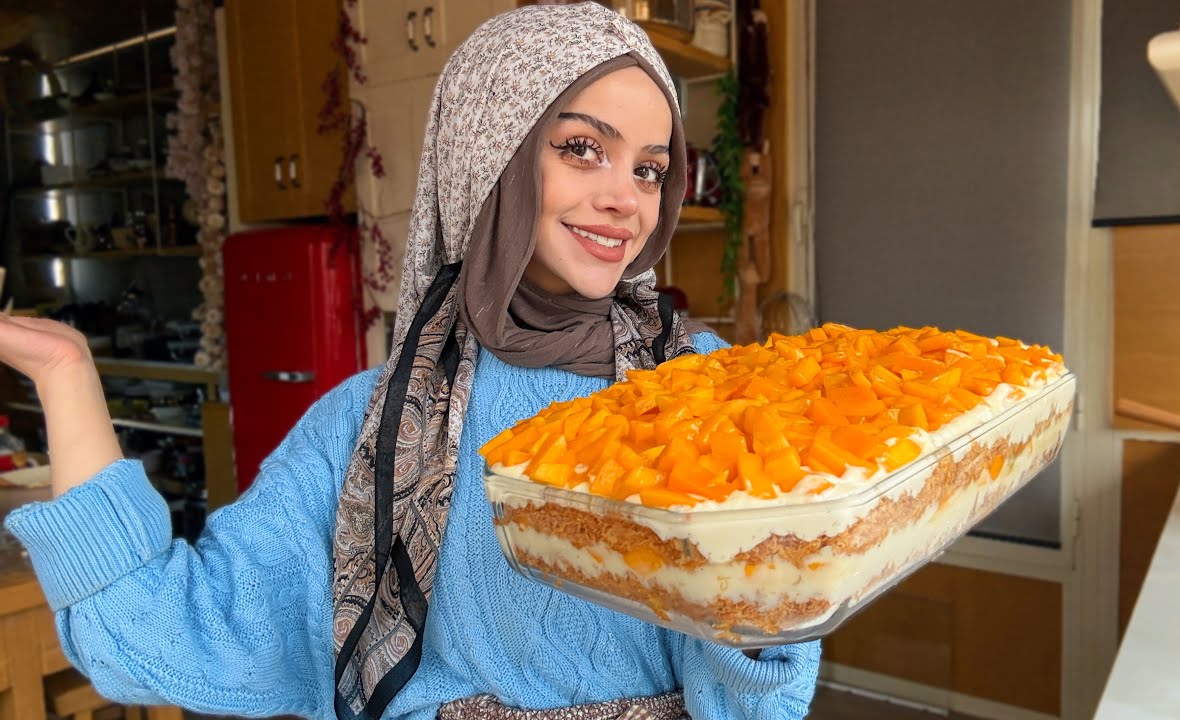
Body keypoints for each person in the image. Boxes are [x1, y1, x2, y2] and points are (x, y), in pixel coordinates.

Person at [0, 5, 820, 719]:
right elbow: (149, 635)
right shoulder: (368, 429)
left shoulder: (704, 394)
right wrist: (66, 372)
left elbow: (757, 704)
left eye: (650, 168)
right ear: (487, 155)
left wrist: (773, 595)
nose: (627, 199)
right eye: (581, 149)